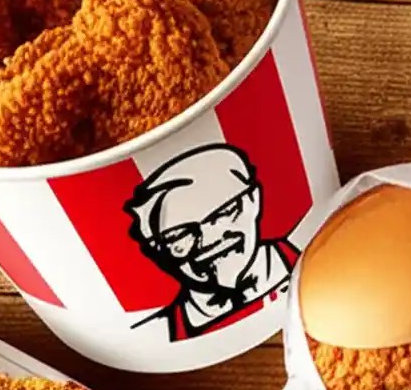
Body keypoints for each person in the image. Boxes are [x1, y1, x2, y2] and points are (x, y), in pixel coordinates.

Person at [125, 144, 299, 341]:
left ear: (254, 200)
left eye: (224, 212)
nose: (209, 241)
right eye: (179, 235)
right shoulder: (156, 333)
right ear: (158, 252)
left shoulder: (319, 252)